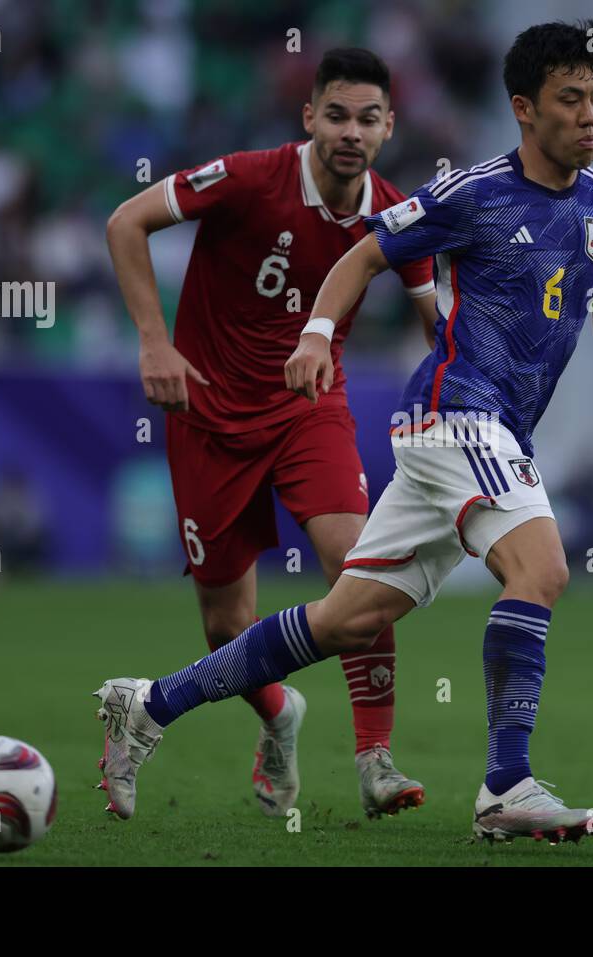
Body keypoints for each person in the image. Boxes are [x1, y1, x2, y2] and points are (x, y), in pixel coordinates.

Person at [95, 20, 593, 843]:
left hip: (472, 432)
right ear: (525, 109)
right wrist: (315, 335)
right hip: (459, 413)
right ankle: (506, 784)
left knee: (346, 617)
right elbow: (364, 256)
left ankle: (151, 702)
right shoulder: (473, 193)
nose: (590, 116)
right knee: (543, 568)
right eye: (571, 100)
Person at [103, 48, 436, 819]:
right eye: (337, 114)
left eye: (368, 118)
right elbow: (127, 222)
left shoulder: (393, 212)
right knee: (226, 623)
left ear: (388, 127)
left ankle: (375, 758)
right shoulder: (250, 177)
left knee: (359, 567)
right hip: (208, 415)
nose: (351, 131)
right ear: (309, 117)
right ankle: (281, 716)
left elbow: (435, 321)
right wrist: (154, 342)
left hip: (308, 406)